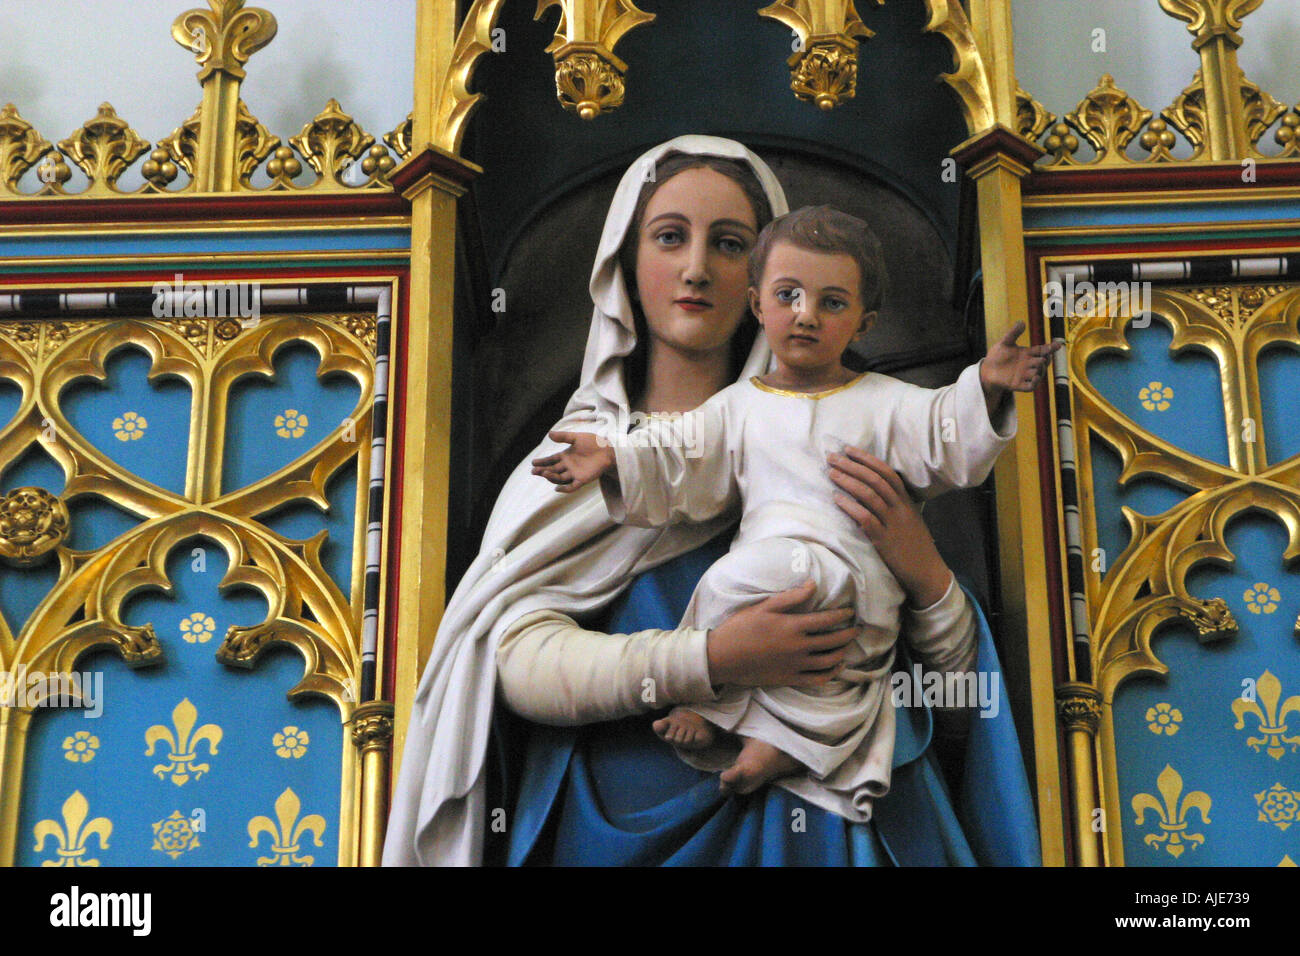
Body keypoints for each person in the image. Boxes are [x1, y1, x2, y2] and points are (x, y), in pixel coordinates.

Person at [382, 135, 1040, 866]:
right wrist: (712, 658)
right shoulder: (584, 458)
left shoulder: (854, 445)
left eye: (729, 244)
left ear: (758, 277)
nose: (696, 269)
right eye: (670, 238)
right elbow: (508, 664)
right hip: (614, 817)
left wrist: (925, 574)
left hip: (824, 818)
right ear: (625, 265)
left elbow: (957, 709)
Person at [532, 204, 1054, 820]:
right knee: (723, 587)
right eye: (789, 295)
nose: (806, 314)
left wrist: (985, 387)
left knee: (843, 663)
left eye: (832, 303)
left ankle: (782, 746)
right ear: (758, 306)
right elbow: (679, 453)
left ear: (864, 323)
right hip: (765, 564)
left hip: (853, 573)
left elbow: (945, 430)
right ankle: (720, 711)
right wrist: (614, 457)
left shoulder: (886, 404)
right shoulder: (739, 406)